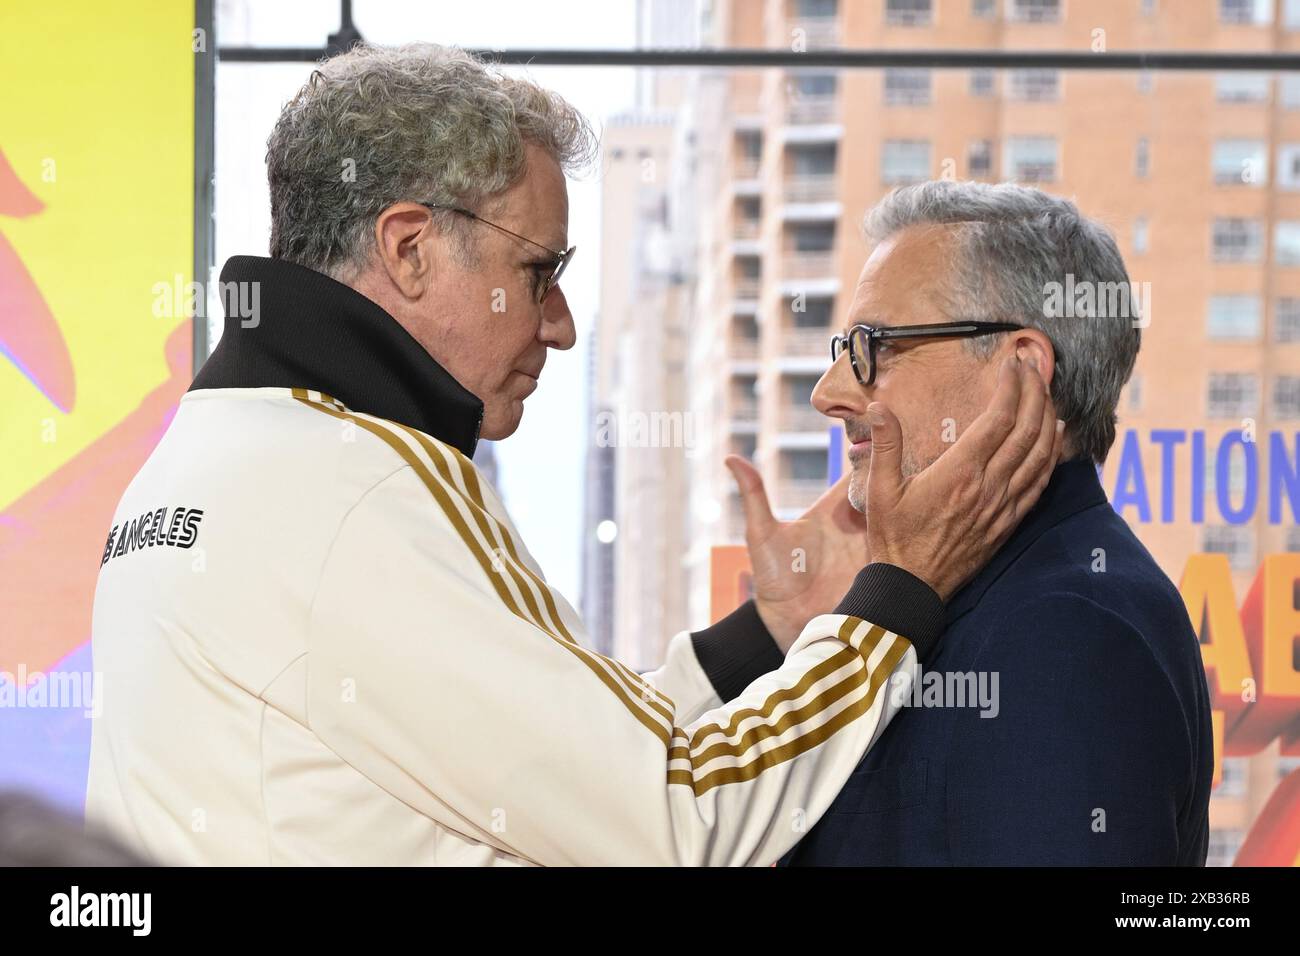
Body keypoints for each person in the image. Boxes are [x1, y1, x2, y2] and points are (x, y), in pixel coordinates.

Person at [85, 45, 1059, 866]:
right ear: (411, 248)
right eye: (538, 271)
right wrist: (900, 586)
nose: (557, 324)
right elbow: (679, 817)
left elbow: (552, 763)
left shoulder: (218, 451)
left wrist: (763, 633)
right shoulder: (360, 485)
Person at [761, 181, 1212, 866]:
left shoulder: (1063, 628)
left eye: (873, 347)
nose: (831, 393)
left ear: (1022, 372)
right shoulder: (959, 597)